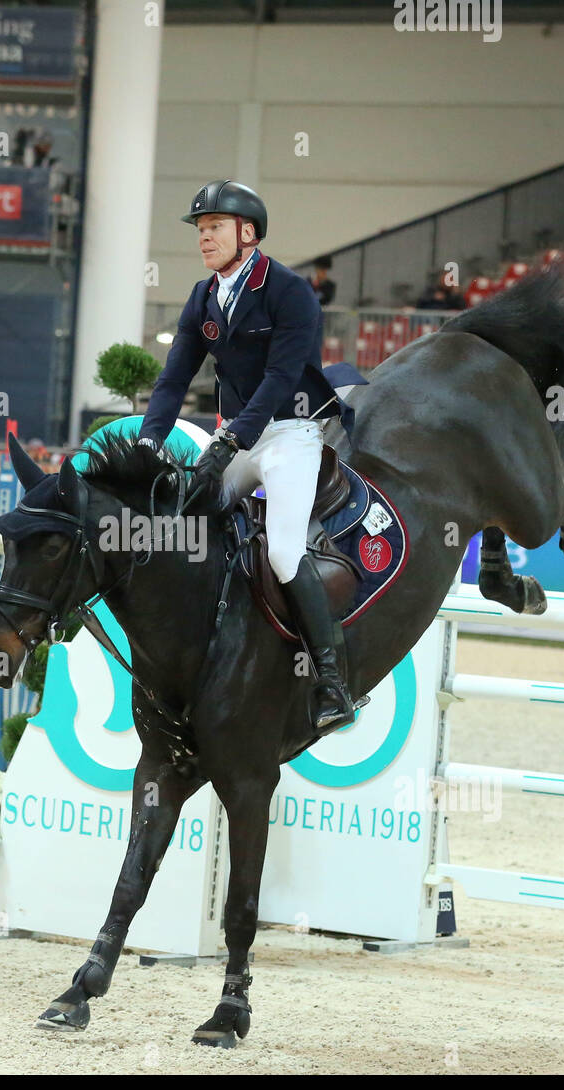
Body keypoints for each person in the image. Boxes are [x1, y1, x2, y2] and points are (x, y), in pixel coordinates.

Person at [136, 179, 354, 735]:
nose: (204, 238)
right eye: (201, 230)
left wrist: (229, 444)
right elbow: (173, 378)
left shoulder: (289, 290)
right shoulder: (202, 297)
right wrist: (148, 441)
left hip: (292, 433)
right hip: (239, 433)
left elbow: (282, 378)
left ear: (247, 232)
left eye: (214, 228)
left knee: (283, 549)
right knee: (178, 520)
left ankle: (331, 679)